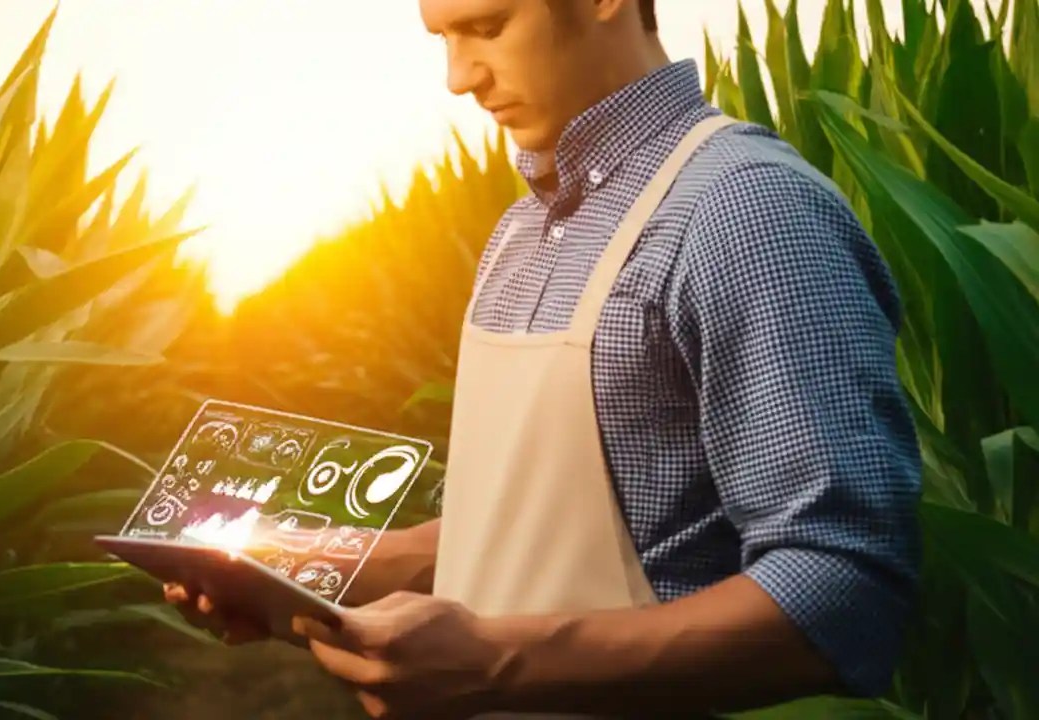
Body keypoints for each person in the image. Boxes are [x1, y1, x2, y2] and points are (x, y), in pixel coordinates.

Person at [165, 0, 923, 717]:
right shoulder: (520, 235)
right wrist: (313, 564)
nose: (459, 77)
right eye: (444, 39)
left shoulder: (746, 212)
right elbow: (541, 524)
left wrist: (497, 662)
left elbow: (843, 588)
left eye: (489, 27)